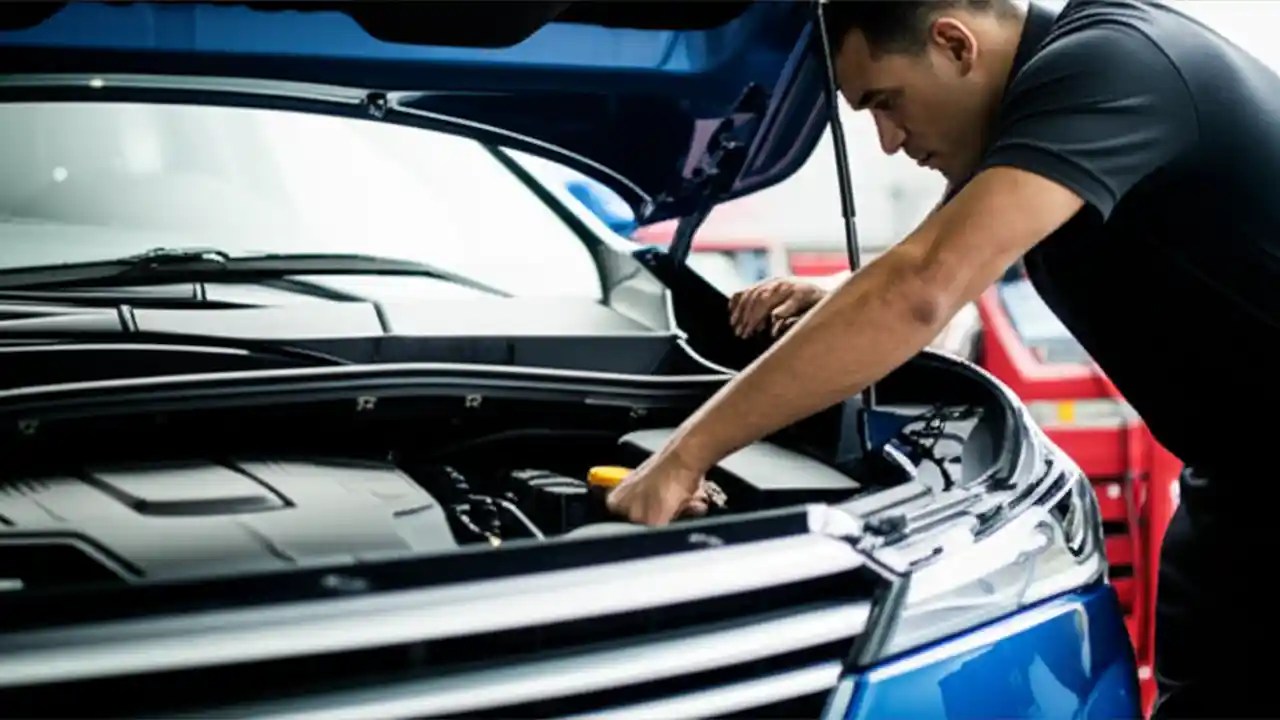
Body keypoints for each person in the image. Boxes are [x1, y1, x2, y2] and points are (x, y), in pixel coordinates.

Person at [605, 0, 1280, 717]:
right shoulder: (1048, 103)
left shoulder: (1113, 64)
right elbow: (938, 264)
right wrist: (842, 295)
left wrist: (683, 457)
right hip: (1241, 490)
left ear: (955, 44)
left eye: (886, 102)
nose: (889, 141)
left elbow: (924, 287)